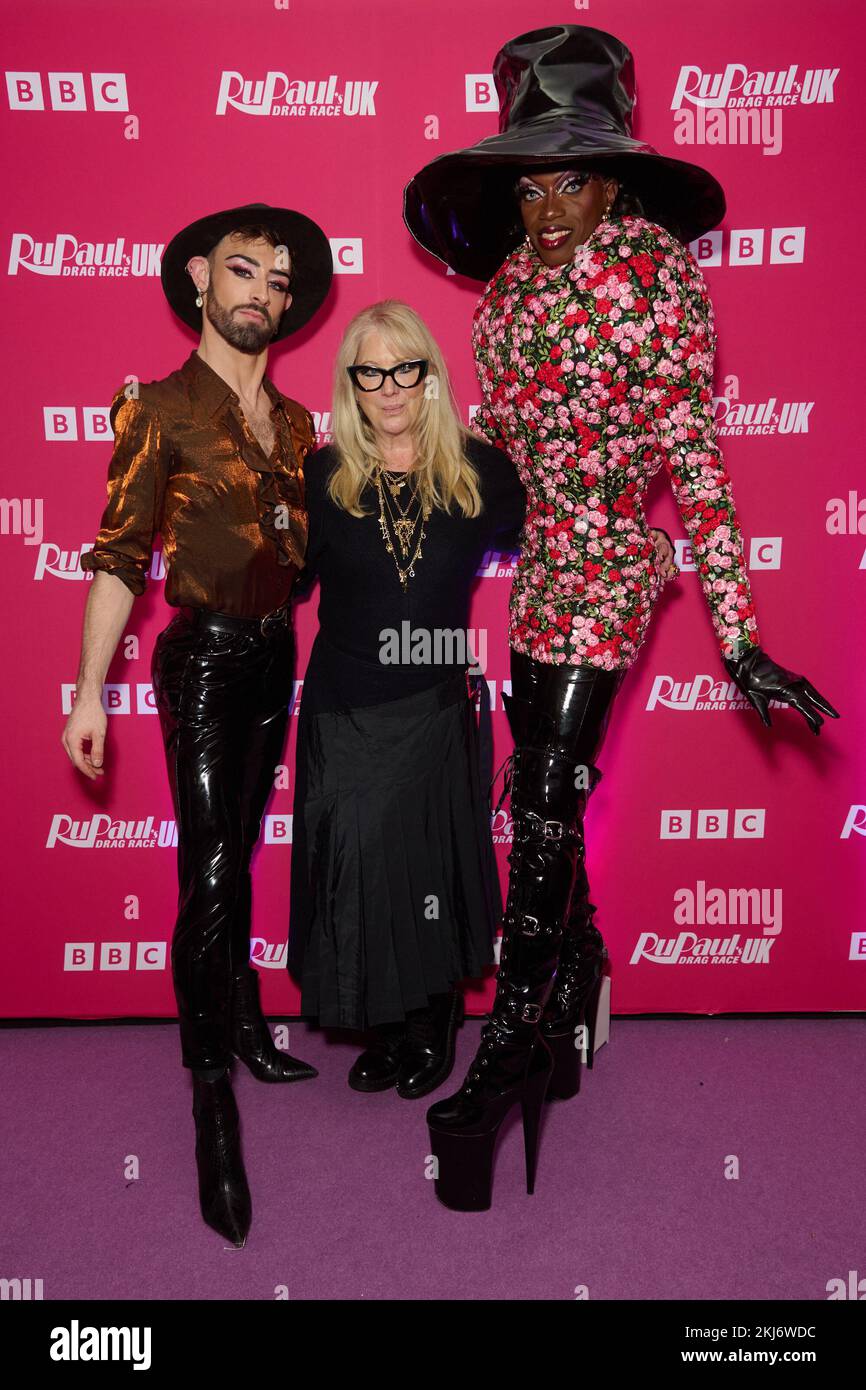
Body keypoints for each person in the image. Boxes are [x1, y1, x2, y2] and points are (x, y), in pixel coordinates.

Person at [403, 25, 840, 1210]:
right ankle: (575, 987)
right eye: (530, 187)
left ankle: (502, 1056)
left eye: (573, 182)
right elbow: (507, 434)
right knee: (538, 786)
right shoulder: (502, 291)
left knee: (544, 789)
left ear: (614, 177)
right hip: (543, 559)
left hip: (611, 557)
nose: (548, 212)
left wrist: (738, 633)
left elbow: (692, 452)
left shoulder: (652, 271)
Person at [287, 298, 675, 1100]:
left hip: (431, 702)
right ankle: (386, 1029)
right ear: (351, 385)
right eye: (371, 372)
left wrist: (648, 545)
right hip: (342, 702)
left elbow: (573, 525)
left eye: (405, 369)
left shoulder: (476, 471)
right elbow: (281, 576)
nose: (389, 387)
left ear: (429, 376)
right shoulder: (321, 479)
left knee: (425, 869)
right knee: (357, 869)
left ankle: (430, 1029)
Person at [61, 202, 333, 1247]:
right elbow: (119, 555)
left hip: (277, 654)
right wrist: (88, 690)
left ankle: (251, 1017)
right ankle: (210, 1102)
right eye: (240, 271)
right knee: (210, 875)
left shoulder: (302, 425)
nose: (260, 289)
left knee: (238, 852)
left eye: (275, 278)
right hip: (204, 661)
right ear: (194, 282)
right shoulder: (159, 408)